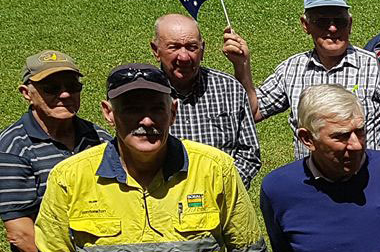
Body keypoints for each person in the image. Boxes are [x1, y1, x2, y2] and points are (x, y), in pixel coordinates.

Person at [34, 64, 264, 251]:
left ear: (173, 112)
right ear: (109, 113)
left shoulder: (215, 168)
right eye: (132, 109)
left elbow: (249, 248)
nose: (146, 121)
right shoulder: (69, 178)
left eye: (156, 109)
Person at [260, 85, 380, 252]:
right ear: (307, 139)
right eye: (341, 136)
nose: (356, 145)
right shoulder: (278, 189)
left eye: (360, 131)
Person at [243, 0, 380, 158]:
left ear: (350, 24)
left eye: (339, 21)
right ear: (306, 25)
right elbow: (253, 111)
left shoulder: (375, 67)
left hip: (362, 176)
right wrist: (242, 65)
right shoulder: (292, 69)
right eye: (322, 22)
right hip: (310, 180)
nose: (332, 29)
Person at [0, 51, 111, 252]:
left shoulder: (99, 137)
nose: (65, 94)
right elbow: (21, 233)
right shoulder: (12, 148)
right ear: (26, 93)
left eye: (72, 86)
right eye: (51, 88)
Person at [149, 14, 261, 186]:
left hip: (220, 198)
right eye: (174, 47)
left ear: (203, 50)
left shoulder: (229, 89)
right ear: (156, 50)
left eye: (192, 47)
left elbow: (249, 153)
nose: (184, 57)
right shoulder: (144, 94)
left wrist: (222, 190)